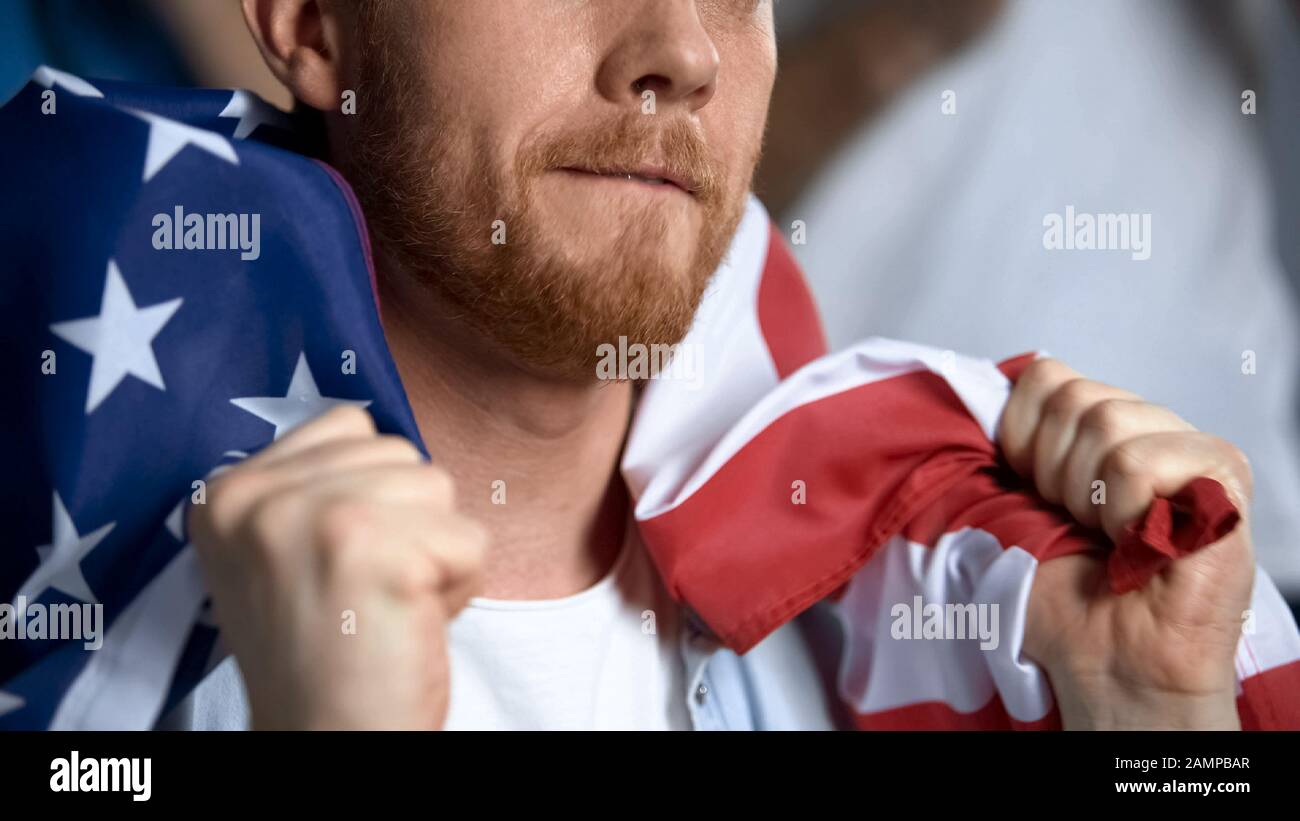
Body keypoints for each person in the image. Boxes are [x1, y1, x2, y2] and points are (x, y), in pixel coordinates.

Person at [163, 0, 1268, 730]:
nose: (686, 55)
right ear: (311, 22)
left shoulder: (907, 603)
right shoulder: (79, 603)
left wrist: (1156, 724)